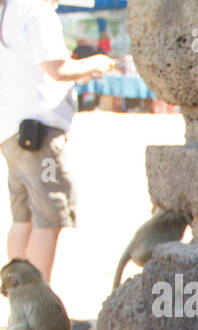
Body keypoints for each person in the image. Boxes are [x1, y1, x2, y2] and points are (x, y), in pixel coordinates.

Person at [0, 0, 114, 282]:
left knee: (23, 217)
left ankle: (22, 307)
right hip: (39, 133)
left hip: (15, 131)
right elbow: (57, 70)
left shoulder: (12, 9)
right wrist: (97, 62)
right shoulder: (37, 10)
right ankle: (40, 307)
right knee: (48, 218)